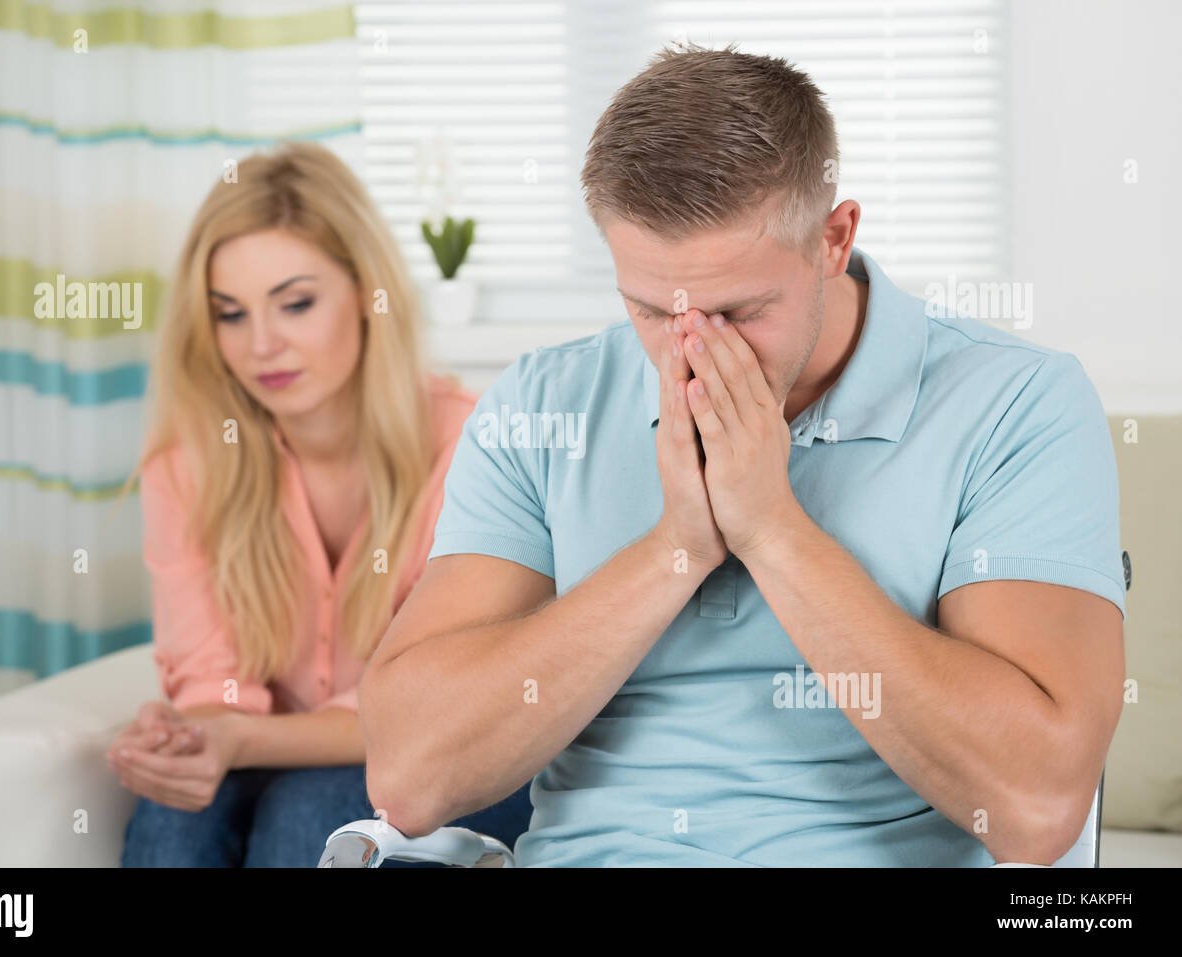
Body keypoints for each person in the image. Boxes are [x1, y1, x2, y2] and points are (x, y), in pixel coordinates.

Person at [359, 44, 1126, 867]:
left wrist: (773, 530)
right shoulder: (544, 405)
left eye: (740, 309)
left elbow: (1036, 807)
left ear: (834, 239)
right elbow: (409, 777)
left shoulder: (1017, 402)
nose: (690, 352)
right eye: (651, 309)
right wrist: (674, 550)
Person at [108, 142, 532, 866]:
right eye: (230, 313)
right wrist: (184, 740)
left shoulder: (473, 443)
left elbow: (434, 711)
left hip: (445, 764)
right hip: (276, 755)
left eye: (295, 303)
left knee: (308, 816)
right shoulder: (186, 462)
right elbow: (212, 686)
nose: (262, 344)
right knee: (173, 816)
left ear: (369, 294)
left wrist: (236, 738)